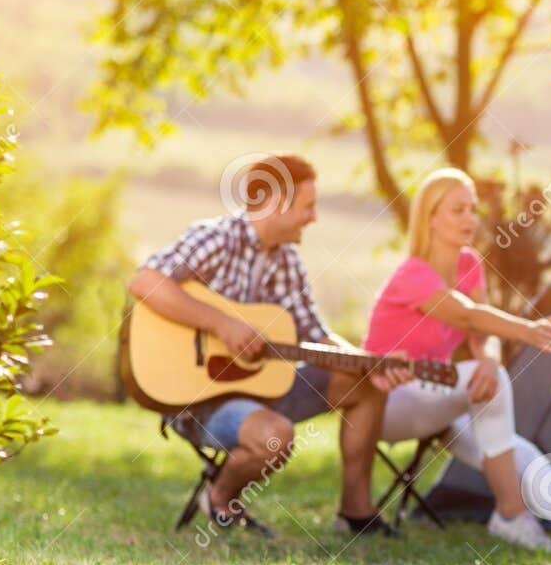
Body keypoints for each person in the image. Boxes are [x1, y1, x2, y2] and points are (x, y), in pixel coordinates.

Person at [129, 153, 409, 537]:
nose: (314, 217)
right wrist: (221, 324)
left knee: (366, 384)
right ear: (277, 203)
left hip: (264, 389)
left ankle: (355, 512)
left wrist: (370, 362)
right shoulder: (217, 238)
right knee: (276, 437)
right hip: (200, 399)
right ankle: (220, 499)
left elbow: (317, 336)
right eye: (308, 206)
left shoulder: (287, 261)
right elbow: (145, 282)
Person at [364, 168, 551, 550]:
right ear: (430, 218)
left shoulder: (469, 264)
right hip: (385, 404)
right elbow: (467, 316)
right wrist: (526, 330)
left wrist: (488, 358)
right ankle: (511, 515)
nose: (470, 219)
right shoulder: (413, 275)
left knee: (520, 453)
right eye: (457, 210)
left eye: (473, 209)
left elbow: (480, 335)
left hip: (435, 398)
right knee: (490, 384)